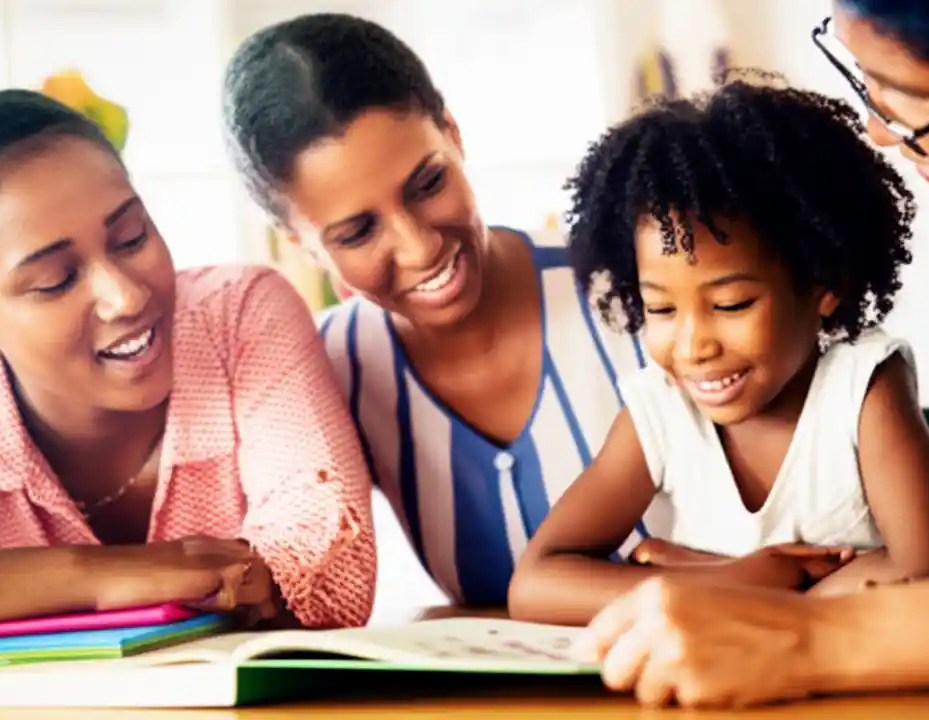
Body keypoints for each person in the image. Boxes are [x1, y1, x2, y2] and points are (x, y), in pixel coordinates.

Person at [578, 0, 929, 708]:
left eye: (916, 98)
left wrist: (812, 635)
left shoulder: (867, 381)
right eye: (867, 83)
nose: (879, 130)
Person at [0, 90, 375, 655]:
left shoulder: (239, 315)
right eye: (54, 281)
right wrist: (87, 575)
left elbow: (333, 571)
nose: (124, 296)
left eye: (131, 238)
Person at [222, 13, 669, 606]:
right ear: (297, 242)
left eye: (428, 183)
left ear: (452, 133)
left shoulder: (640, 287)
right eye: (357, 232)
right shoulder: (329, 375)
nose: (421, 246)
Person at [508, 84, 929, 626]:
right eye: (660, 310)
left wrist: (731, 598)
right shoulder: (660, 413)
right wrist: (729, 579)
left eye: (731, 304)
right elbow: (535, 584)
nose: (694, 346)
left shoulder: (862, 387)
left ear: (823, 284)